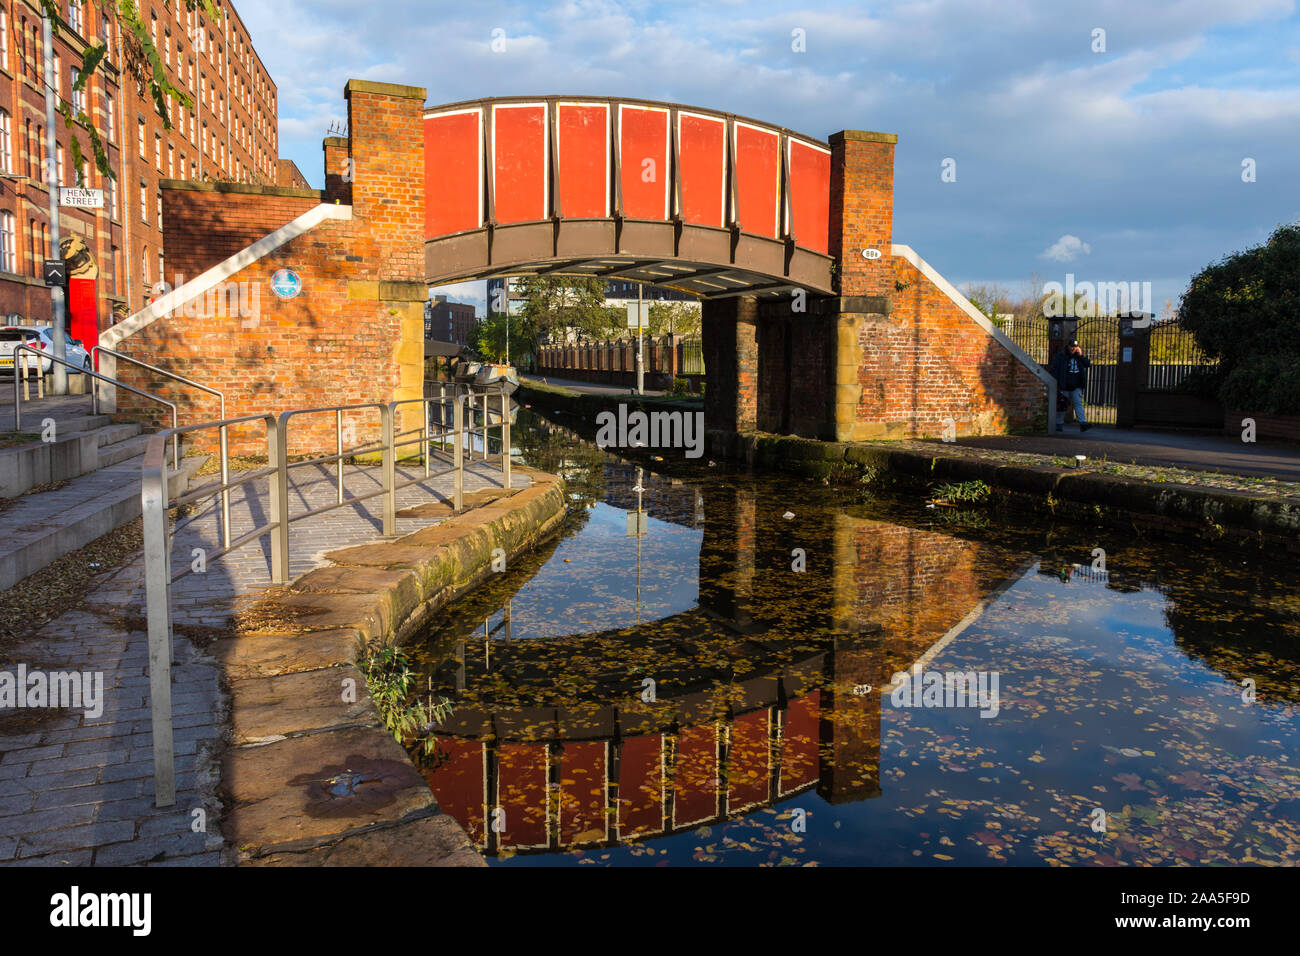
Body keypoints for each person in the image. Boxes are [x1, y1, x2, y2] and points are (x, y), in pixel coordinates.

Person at [1051, 340, 1092, 432]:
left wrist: (1081, 355)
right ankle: (1059, 423)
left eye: (1075, 346)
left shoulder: (1079, 357)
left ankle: (1082, 423)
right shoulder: (1061, 356)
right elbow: (1055, 370)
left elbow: (1088, 364)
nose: (1073, 348)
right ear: (1068, 346)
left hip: (1076, 386)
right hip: (1064, 385)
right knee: (1062, 405)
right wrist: (1057, 384)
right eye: (1072, 346)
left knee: (1078, 404)